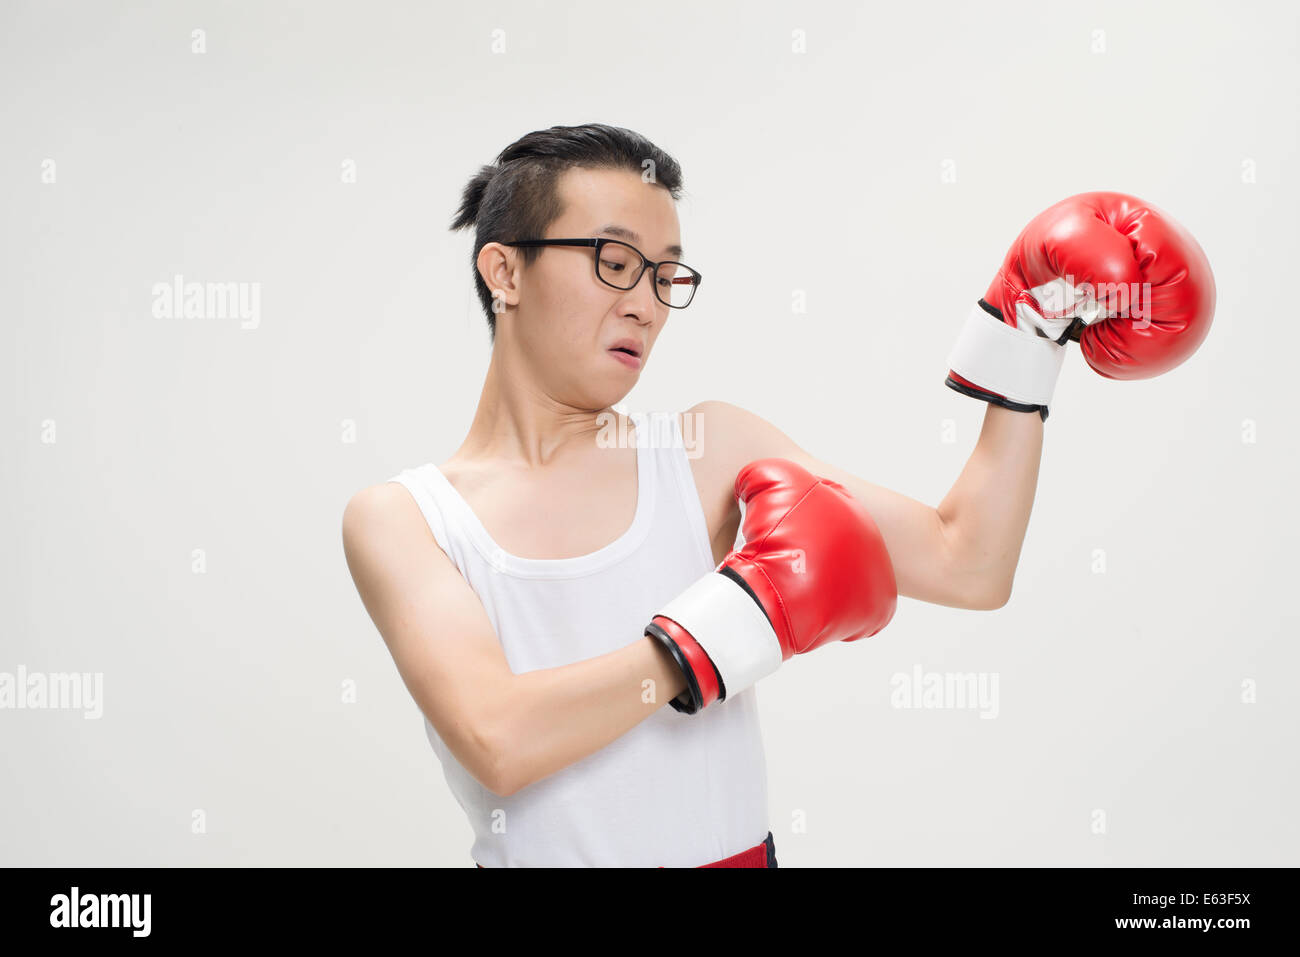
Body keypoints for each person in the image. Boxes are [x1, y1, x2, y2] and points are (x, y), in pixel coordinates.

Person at [341, 124, 1214, 868]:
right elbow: (499, 742)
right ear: (505, 271)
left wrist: (1026, 342)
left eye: (666, 276)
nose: (647, 304)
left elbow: (968, 562)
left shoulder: (704, 450)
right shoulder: (408, 516)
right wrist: (726, 632)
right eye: (615, 262)